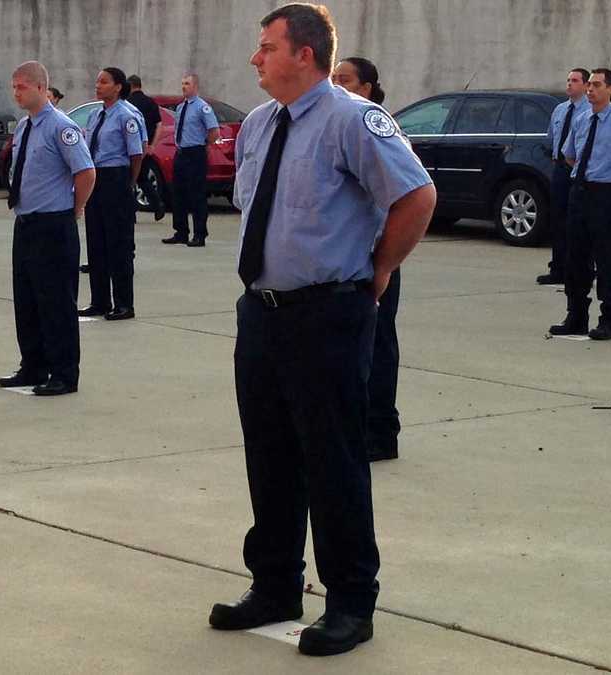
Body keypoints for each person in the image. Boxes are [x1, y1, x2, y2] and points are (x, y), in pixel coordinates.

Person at [208, 4, 435, 657]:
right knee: (270, 453)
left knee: (333, 457)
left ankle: (350, 601)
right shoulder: (257, 124)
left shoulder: (353, 120)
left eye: (266, 46)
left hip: (327, 312)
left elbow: (415, 196)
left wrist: (380, 268)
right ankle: (275, 584)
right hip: (262, 310)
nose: (256, 58)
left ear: (303, 53)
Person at [0, 61, 95, 396]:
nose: (16, 92)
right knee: (27, 300)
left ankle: (64, 373)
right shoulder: (25, 125)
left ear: (41, 87)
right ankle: (33, 365)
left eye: (22, 86)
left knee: (55, 302)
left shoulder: (61, 126)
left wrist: (75, 208)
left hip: (53, 223)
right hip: (26, 222)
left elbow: (85, 172)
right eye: (14, 86)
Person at [332, 55, 399, 462]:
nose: (337, 85)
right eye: (333, 78)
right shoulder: (339, 121)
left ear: (368, 87)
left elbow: (407, 198)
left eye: (346, 79)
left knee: (378, 344)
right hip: (344, 258)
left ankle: (381, 430)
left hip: (374, 255)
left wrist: (384, 263)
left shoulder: (374, 126)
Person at [549, 68, 611, 340]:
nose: (591, 89)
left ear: (610, 89)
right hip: (579, 191)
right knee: (575, 256)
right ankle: (576, 314)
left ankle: (609, 319)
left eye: (597, 85)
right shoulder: (581, 119)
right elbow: (569, 155)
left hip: (605, 195)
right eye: (589, 84)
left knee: (604, 257)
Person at [79, 67, 143, 321]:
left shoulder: (126, 116)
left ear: (118, 87)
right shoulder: (95, 115)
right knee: (97, 242)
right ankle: (100, 301)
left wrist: (129, 182)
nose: (98, 86)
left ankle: (124, 304)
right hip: (97, 177)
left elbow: (136, 154)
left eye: (104, 82)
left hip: (116, 177)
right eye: (97, 82)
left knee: (119, 245)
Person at [536, 68, 591, 286]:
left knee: (579, 222)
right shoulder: (559, 110)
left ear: (586, 85)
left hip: (581, 171)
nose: (569, 84)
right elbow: (553, 140)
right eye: (568, 80)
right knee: (558, 219)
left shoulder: (590, 111)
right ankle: (558, 268)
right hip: (560, 169)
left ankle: (582, 269)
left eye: (575, 80)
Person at [163, 72, 219, 246]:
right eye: (182, 84)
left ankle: (199, 234)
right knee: (178, 193)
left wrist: (204, 145)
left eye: (187, 83)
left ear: (195, 86)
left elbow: (214, 131)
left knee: (197, 195)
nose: (184, 87)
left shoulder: (203, 107)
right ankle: (181, 231)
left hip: (195, 153)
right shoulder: (180, 107)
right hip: (181, 153)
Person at [127, 74, 166, 221]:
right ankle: (157, 204)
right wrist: (152, 145)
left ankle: (131, 213)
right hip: (146, 147)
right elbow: (159, 125)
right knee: (143, 178)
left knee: (130, 179)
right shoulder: (150, 102)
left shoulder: (127, 103)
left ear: (129, 86)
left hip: (131, 148)